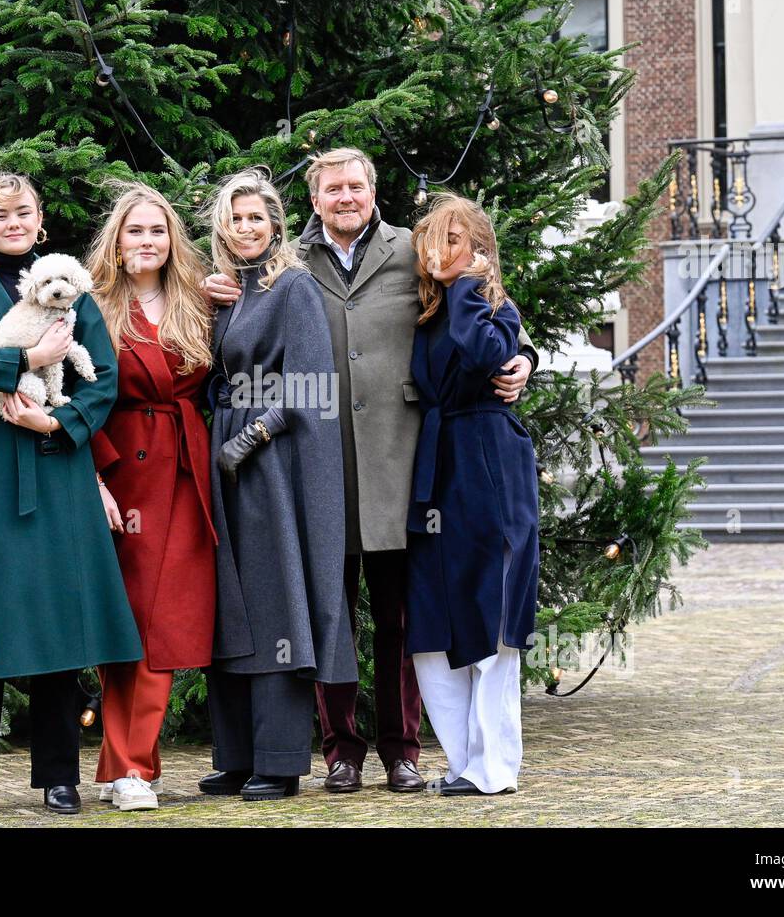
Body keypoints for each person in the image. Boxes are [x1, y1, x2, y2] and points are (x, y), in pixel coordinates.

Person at [202, 147, 538, 793]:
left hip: (403, 462)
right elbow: (239, 323)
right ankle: (341, 749)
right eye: (333, 189)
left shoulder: (413, 250)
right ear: (314, 199)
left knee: (401, 615)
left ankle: (401, 749)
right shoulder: (284, 265)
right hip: (314, 465)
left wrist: (525, 353)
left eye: (355, 186)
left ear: (372, 189)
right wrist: (222, 290)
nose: (346, 197)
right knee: (329, 611)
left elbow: (487, 298)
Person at [0, 171, 142, 815]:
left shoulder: (77, 290)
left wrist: (56, 421)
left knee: (60, 608)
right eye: (1, 215)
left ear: (39, 219)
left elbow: (103, 379)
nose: (14, 223)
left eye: (24, 213)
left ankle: (58, 773)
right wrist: (24, 359)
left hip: (56, 462)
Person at [196, 167, 356, 801]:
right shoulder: (230, 291)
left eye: (255, 218)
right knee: (229, 602)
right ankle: (235, 756)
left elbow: (311, 384)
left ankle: (281, 761)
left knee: (275, 601)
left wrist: (251, 436)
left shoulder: (294, 288)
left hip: (272, 465)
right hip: (224, 457)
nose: (245, 228)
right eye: (235, 220)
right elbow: (209, 375)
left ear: (276, 224)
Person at [84, 183, 217, 811]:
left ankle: (129, 765)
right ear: (117, 239)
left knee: (165, 621)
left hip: (187, 473)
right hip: (123, 473)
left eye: (157, 231)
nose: (147, 242)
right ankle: (128, 766)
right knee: (127, 622)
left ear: (171, 240)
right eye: (135, 231)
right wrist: (95, 479)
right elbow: (70, 398)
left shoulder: (199, 300)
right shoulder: (92, 306)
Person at [404, 191, 540, 796]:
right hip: (436, 470)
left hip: (489, 462)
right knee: (431, 624)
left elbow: (487, 354)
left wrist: (469, 283)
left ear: (480, 248)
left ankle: (495, 768)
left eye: (454, 239)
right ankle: (464, 761)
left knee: (491, 615)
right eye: (431, 239)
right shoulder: (426, 313)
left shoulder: (491, 308)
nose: (440, 249)